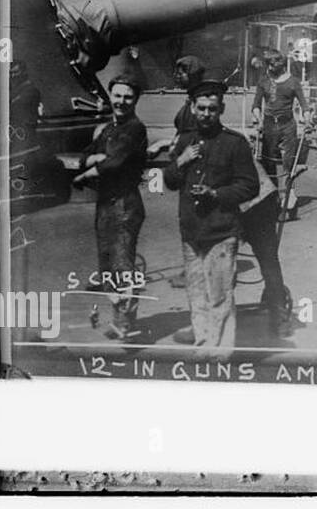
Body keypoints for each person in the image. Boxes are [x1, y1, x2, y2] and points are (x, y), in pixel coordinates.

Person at [162, 57, 291, 337]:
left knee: (266, 255)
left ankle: (279, 313)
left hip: (255, 198)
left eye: (182, 73)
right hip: (219, 195)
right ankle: (206, 327)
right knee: (206, 262)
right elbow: (183, 148)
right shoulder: (188, 109)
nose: (177, 77)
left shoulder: (199, 110)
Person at [163, 80, 260, 353]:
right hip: (191, 232)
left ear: (222, 110)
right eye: (202, 108)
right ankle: (203, 345)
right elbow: (169, 182)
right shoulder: (184, 140)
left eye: (213, 109)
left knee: (220, 296)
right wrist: (180, 161)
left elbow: (249, 185)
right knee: (196, 294)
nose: (207, 114)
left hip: (221, 230)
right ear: (193, 108)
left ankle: (221, 354)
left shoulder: (235, 143)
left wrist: (216, 194)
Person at [74, 76, 148, 341]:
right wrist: (94, 158)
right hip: (106, 204)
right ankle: (121, 320)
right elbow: (86, 154)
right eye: (117, 96)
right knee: (108, 268)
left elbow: (115, 164)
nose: (121, 102)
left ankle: (127, 326)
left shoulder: (135, 129)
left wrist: (89, 171)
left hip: (125, 205)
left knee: (122, 267)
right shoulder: (108, 129)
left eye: (127, 97)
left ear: (135, 100)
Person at [251, 53, 310, 221]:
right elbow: (256, 105)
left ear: (282, 65)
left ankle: (289, 202)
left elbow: (304, 105)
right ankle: (272, 201)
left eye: (272, 65)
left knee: (287, 164)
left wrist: (307, 119)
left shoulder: (293, 82)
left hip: (287, 125)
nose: (269, 68)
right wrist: (258, 118)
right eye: (268, 65)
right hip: (269, 125)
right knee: (268, 163)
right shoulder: (264, 81)